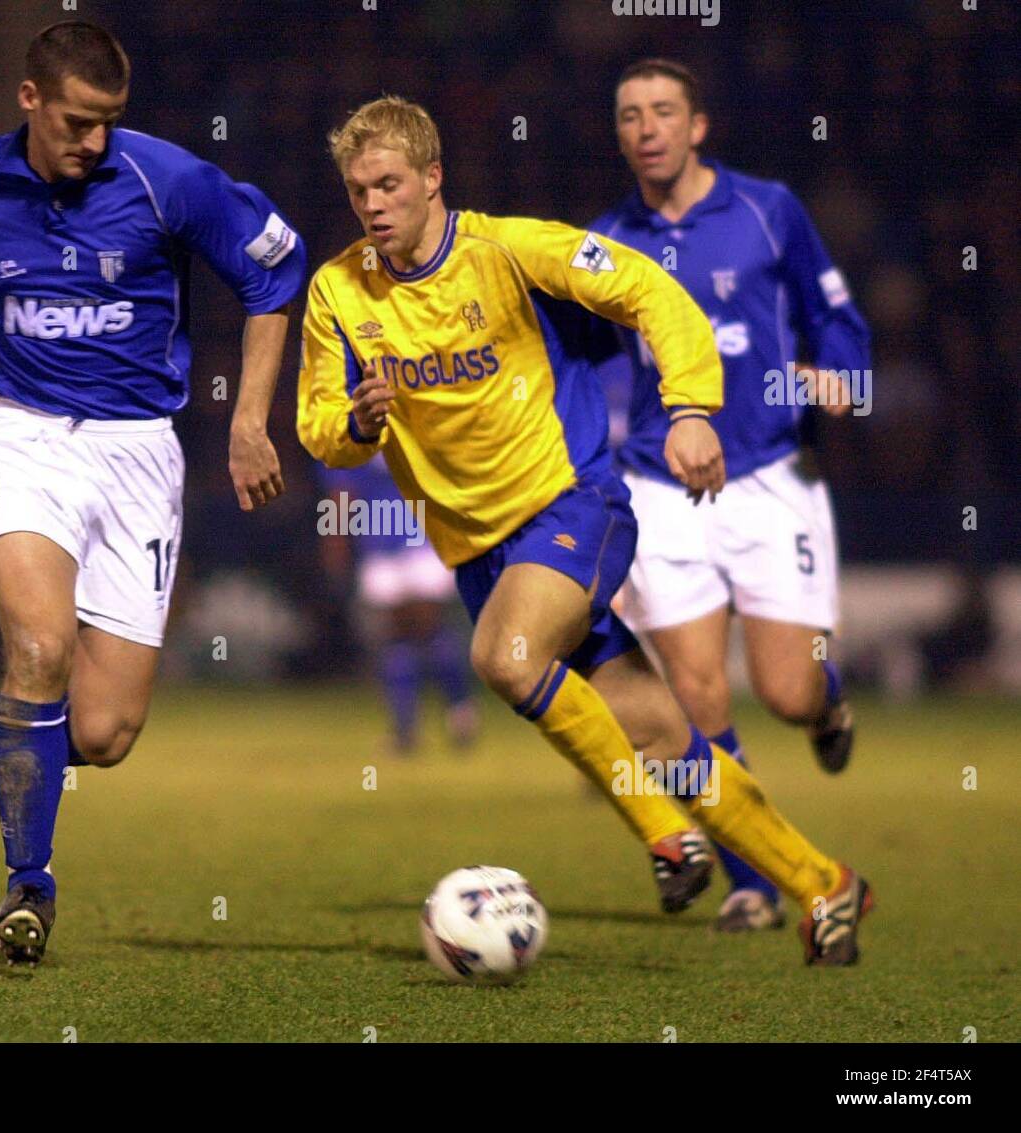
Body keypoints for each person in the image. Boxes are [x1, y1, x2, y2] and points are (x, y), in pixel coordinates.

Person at [297, 96, 873, 965]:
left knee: (504, 657)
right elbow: (319, 429)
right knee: (666, 736)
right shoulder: (340, 291)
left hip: (572, 507)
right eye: (357, 190)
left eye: (388, 184)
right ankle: (824, 882)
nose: (373, 205)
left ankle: (662, 834)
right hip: (480, 551)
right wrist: (362, 423)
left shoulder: (511, 251)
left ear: (432, 178)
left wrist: (689, 407)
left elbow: (650, 288)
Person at [0, 21, 306, 966]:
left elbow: (274, 279)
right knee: (42, 645)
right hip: (19, 436)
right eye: (77, 121)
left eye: (108, 122)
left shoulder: (169, 179)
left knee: (103, 732)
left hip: (138, 453)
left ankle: (32, 710)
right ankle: (28, 884)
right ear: (30, 100)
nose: (93, 141)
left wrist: (250, 418)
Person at [592, 59, 871, 931]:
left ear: (698, 125)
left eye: (664, 111)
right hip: (660, 484)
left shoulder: (767, 209)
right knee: (698, 699)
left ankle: (828, 707)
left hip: (769, 476)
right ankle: (756, 879)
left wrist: (844, 377)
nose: (647, 127)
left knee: (786, 691)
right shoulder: (604, 240)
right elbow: (584, 359)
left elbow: (832, 314)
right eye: (631, 114)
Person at [319, 452, 479, 755]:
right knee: (410, 634)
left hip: (403, 535)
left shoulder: (351, 418)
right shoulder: (420, 410)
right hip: (402, 537)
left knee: (411, 632)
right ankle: (446, 715)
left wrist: (335, 539)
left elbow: (342, 490)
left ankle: (437, 718)